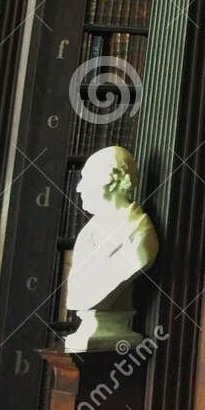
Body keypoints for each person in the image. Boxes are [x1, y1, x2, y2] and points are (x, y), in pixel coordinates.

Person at [64, 146, 158, 353]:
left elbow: (139, 258)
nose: (79, 188)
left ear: (113, 180)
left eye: (86, 178)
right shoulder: (87, 234)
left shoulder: (140, 235)